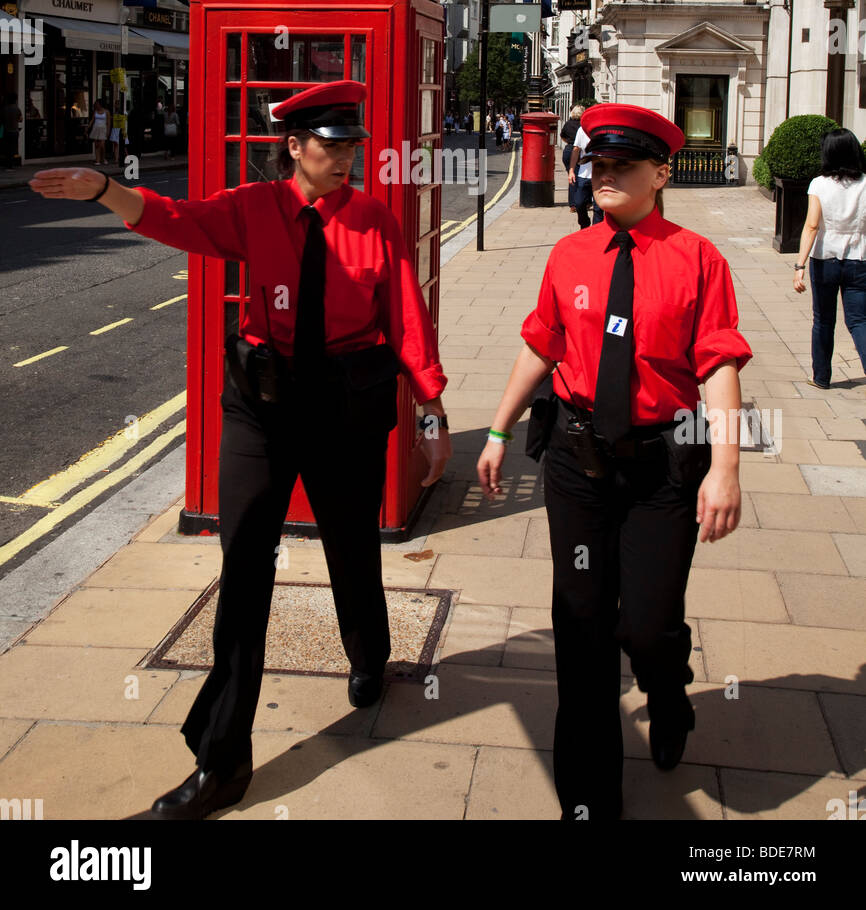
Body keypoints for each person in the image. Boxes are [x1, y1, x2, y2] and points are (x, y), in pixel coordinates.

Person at [29, 79, 452, 820]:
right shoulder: (253, 209)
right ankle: (223, 759)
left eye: (352, 145)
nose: (346, 158)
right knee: (245, 565)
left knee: (352, 541)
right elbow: (175, 219)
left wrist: (432, 412)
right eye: (331, 146)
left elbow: (406, 318)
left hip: (344, 405)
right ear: (294, 147)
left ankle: (368, 654)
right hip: (262, 405)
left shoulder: (376, 221)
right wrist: (104, 190)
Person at [476, 103, 751, 821]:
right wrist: (498, 431)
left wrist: (726, 467)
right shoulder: (569, 255)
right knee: (582, 621)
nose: (602, 176)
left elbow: (719, 364)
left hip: (664, 466)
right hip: (577, 463)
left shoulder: (698, 259)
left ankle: (668, 691)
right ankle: (589, 795)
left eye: (621, 166)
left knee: (649, 625)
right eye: (596, 164)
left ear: (661, 175)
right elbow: (542, 343)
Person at [793, 128, 866, 388]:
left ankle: (821, 377)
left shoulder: (819, 184)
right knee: (858, 321)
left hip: (825, 260)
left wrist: (799, 265)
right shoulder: (865, 183)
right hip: (859, 259)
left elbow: (811, 225)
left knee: (823, 319)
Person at [560, 105, 587, 224]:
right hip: (578, 152)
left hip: (568, 150)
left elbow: (562, 136)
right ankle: (579, 202)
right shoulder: (583, 125)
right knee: (578, 177)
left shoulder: (567, 124)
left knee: (572, 178)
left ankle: (573, 204)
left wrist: (570, 142)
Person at [86, 99, 110, 166]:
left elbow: (108, 122)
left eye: (97, 104)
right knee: (96, 145)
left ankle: (103, 158)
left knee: (102, 145)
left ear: (100, 104)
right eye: (95, 104)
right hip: (96, 128)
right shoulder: (95, 112)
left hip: (103, 129)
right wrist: (88, 127)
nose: (96, 105)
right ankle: (97, 160)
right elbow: (92, 120)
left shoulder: (106, 112)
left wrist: (108, 131)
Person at [1, 91, 22, 167]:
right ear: (15, 100)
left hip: (6, 131)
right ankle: (11, 164)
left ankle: (7, 163)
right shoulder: (17, 109)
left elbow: (2, 120)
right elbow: (20, 119)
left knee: (7, 147)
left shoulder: (4, 109)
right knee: (13, 148)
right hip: (15, 131)